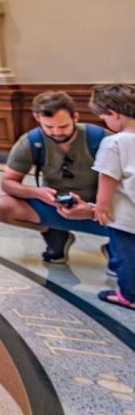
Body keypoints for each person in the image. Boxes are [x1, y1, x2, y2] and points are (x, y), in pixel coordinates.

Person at [0, 91, 113, 266]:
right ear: (37, 118)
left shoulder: (100, 138)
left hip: (101, 208)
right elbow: (8, 182)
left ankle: (117, 246)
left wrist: (98, 206)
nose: (56, 132)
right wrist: (37, 193)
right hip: (57, 205)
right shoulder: (31, 141)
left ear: (75, 117)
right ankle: (55, 234)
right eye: (49, 127)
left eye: (63, 126)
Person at [91, 85, 135, 309]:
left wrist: (102, 204)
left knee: (125, 257)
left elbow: (108, 175)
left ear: (114, 114)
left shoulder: (114, 142)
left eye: (103, 118)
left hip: (127, 217)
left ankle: (129, 296)